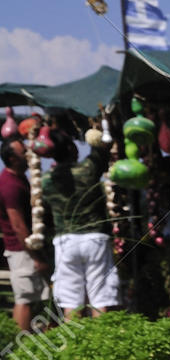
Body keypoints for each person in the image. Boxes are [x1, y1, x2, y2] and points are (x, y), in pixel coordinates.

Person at [40, 130, 119, 318]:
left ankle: (75, 346)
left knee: (71, 301)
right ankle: (102, 340)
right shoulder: (88, 169)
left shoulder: (45, 180)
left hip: (65, 241)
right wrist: (95, 128)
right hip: (94, 239)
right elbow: (102, 149)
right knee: (100, 297)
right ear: (70, 148)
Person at [1, 139, 47, 329]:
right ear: (12, 158)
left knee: (32, 297)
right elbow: (18, 225)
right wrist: (34, 256)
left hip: (25, 248)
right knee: (25, 298)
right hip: (21, 250)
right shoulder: (9, 186)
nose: (29, 153)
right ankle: (19, 348)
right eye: (24, 151)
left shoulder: (19, 179)